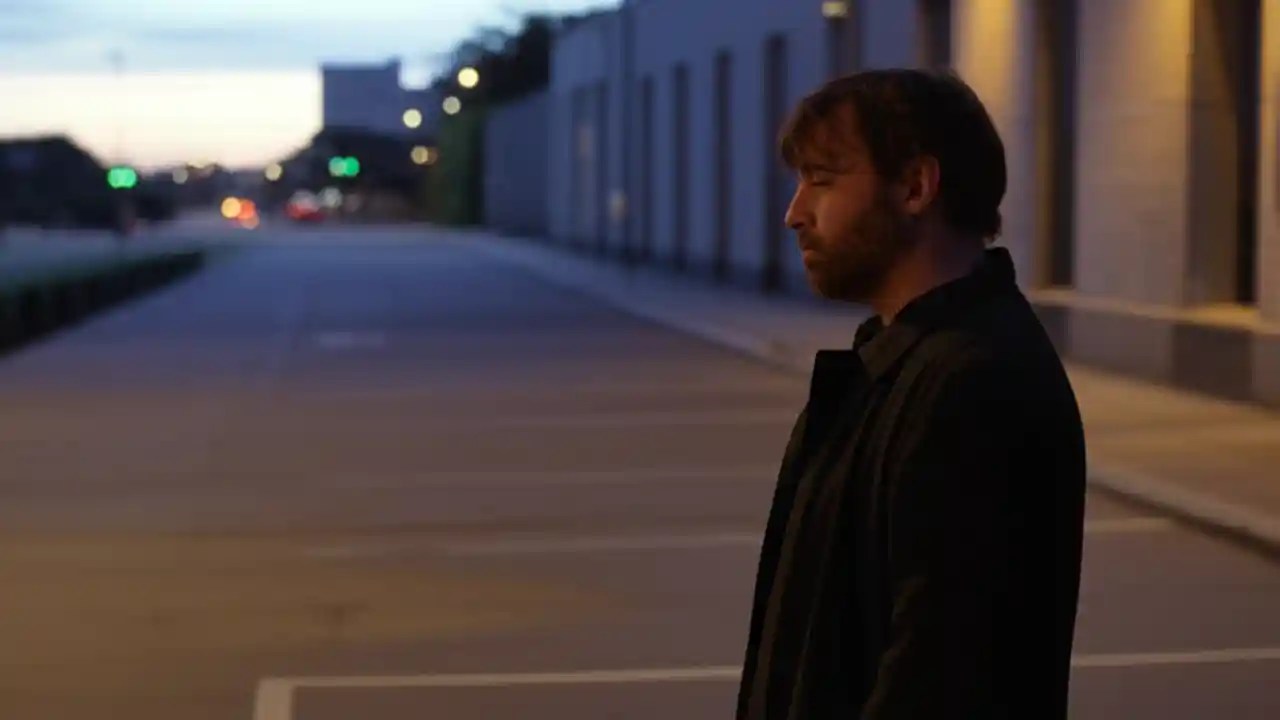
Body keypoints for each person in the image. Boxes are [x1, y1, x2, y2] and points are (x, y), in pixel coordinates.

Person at [735, 69, 1087, 719]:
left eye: (822, 179)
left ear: (916, 186)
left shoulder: (974, 383)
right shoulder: (893, 364)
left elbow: (943, 673)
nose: (795, 213)